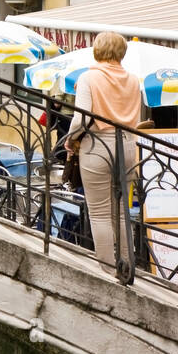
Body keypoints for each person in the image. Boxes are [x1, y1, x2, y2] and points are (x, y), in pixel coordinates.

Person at [65, 31, 144, 271]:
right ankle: (127, 266)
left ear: (97, 50)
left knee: (99, 212)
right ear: (122, 52)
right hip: (128, 146)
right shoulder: (133, 80)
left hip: (99, 146)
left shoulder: (89, 78)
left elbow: (81, 118)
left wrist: (69, 140)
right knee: (121, 211)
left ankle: (108, 270)